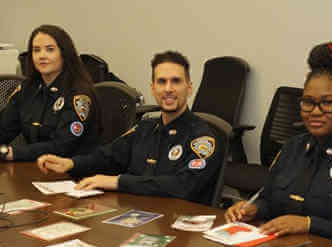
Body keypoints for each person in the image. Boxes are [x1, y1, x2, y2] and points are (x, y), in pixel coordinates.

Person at [224, 42, 332, 247]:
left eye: (328, 103)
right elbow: (270, 199)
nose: (315, 111)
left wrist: (310, 224)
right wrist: (253, 209)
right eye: (308, 102)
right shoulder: (292, 147)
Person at [37, 51, 221, 206]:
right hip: (137, 215)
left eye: (176, 81)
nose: (168, 89)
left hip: (179, 225)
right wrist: (71, 163)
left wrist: (117, 181)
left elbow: (183, 185)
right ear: (152, 88)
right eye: (161, 82)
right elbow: (108, 157)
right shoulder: (145, 127)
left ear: (189, 88)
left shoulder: (201, 138)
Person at [0, 25, 100, 162]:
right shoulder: (28, 88)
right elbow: (3, 128)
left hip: (72, 176)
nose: (42, 56)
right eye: (36, 50)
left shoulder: (79, 94)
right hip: (35, 169)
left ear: (64, 54)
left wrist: (7, 152)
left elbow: (62, 147)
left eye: (50, 50)